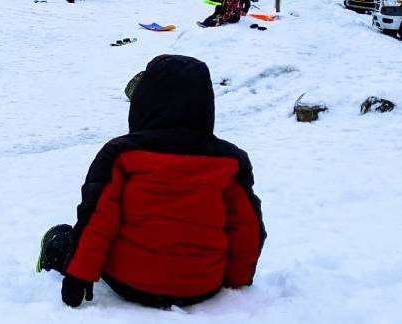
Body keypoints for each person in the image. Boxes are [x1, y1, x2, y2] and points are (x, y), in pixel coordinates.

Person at [36, 54, 265, 309]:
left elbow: (98, 218)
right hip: (201, 287)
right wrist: (237, 282)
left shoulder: (120, 153)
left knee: (63, 237)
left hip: (129, 283)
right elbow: (247, 227)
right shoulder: (230, 160)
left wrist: (78, 277)